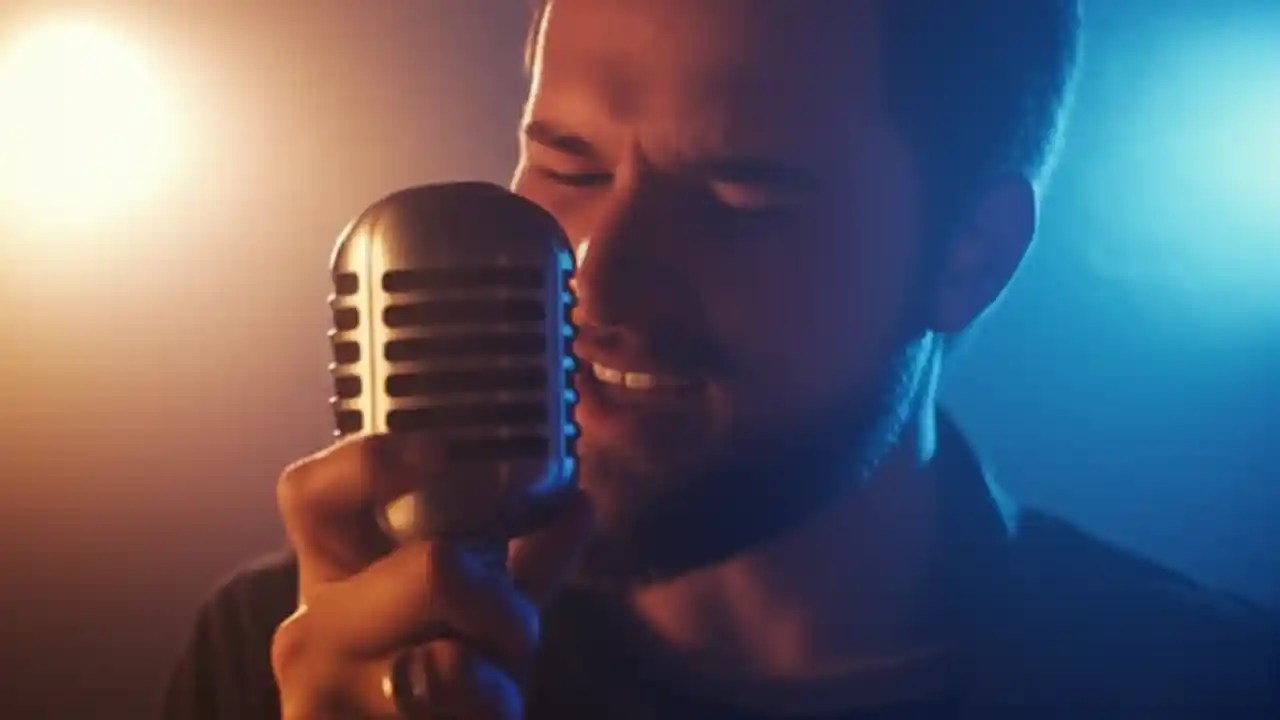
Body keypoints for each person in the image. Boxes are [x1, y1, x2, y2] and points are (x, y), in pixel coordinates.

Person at [162, 1, 1279, 718]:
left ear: (969, 255)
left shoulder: (1206, 686)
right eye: (567, 163)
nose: (593, 284)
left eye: (737, 196)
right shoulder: (299, 661)